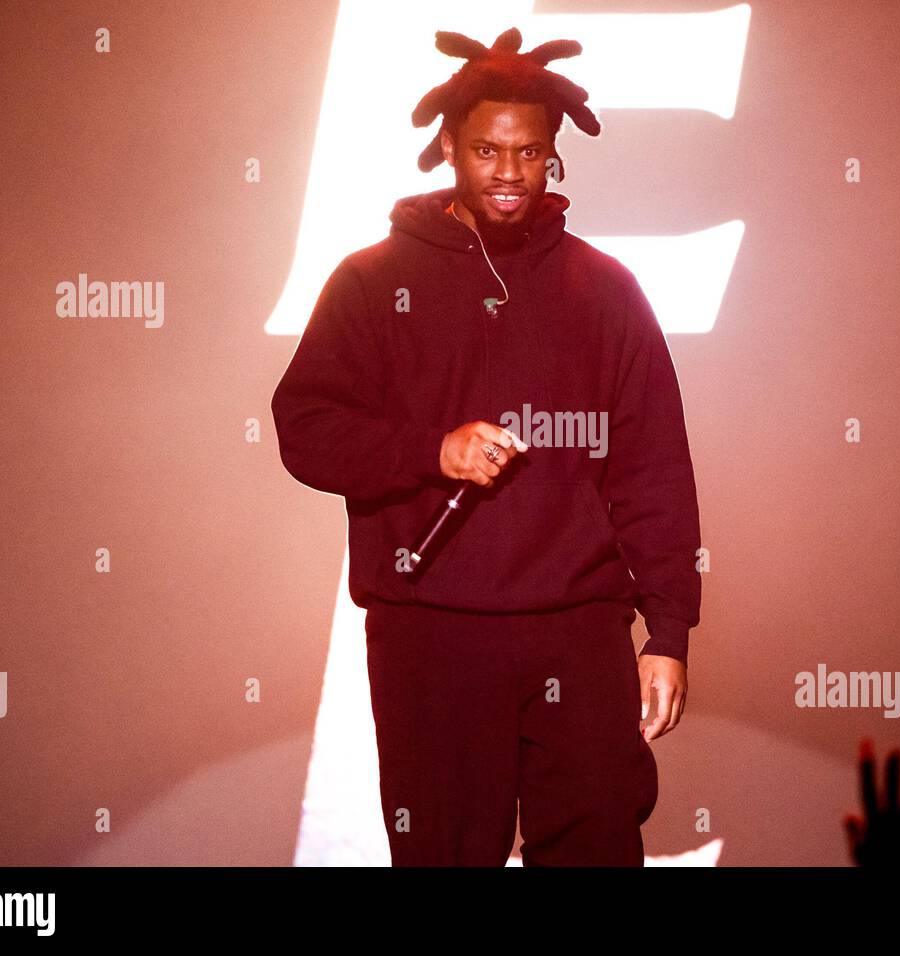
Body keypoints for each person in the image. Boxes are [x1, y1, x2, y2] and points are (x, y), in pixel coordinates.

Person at [271, 27, 701, 866]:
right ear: (448, 149)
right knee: (440, 854)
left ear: (555, 159)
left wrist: (670, 632)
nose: (508, 173)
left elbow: (654, 468)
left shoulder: (607, 291)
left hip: (579, 632)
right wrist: (433, 450)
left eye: (529, 153)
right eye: (486, 150)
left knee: (598, 850)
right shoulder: (370, 281)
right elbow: (306, 429)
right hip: (431, 635)